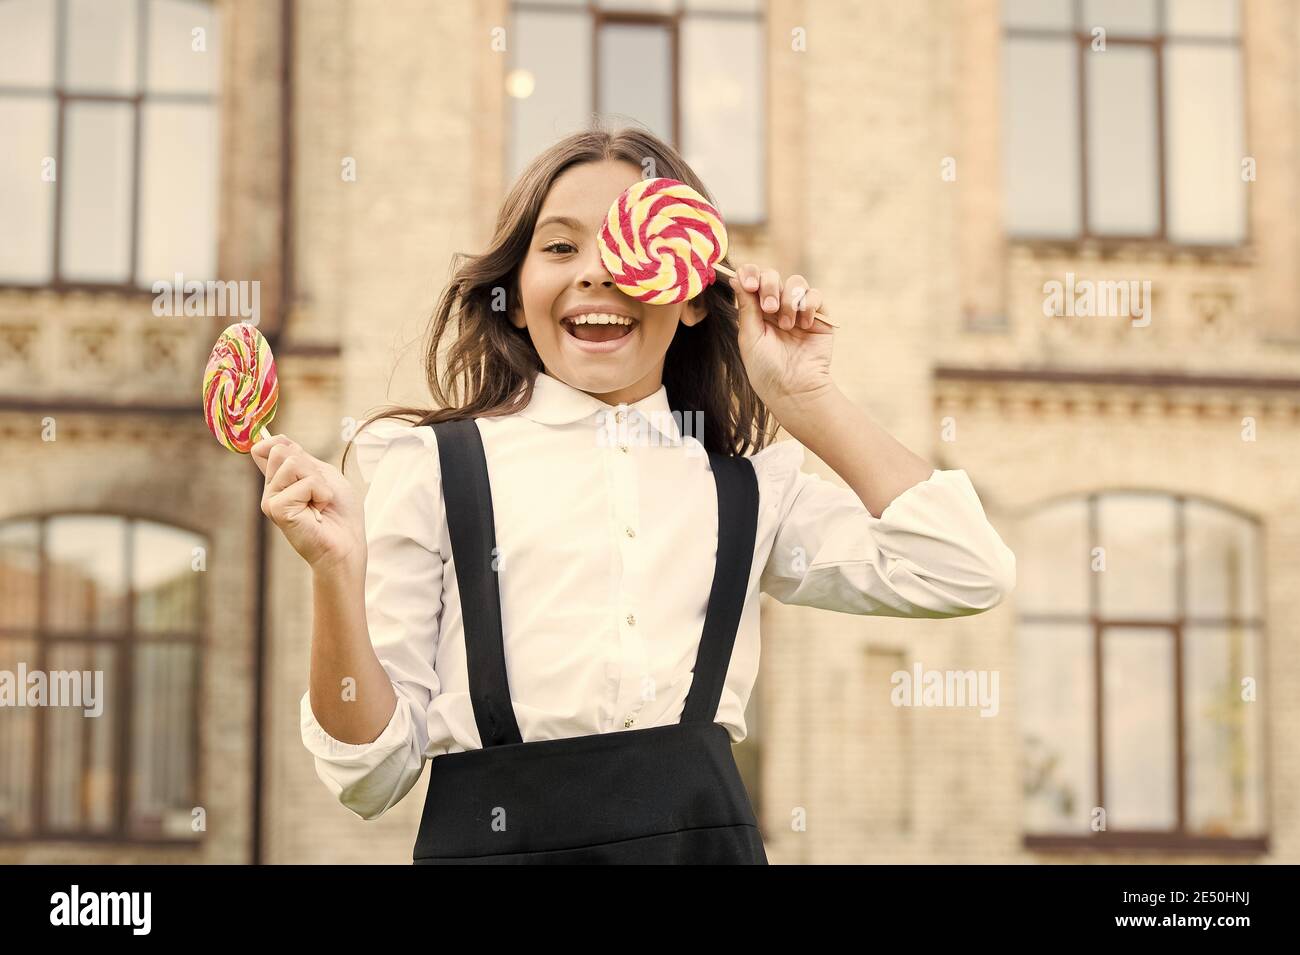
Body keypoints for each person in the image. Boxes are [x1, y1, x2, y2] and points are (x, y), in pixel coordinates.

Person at [251, 125, 1016, 864]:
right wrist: (335, 573)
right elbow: (369, 777)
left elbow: (964, 566)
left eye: (631, 246)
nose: (596, 271)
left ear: (691, 294)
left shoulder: (747, 491)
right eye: (560, 247)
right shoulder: (432, 468)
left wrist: (806, 398)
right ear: (512, 295)